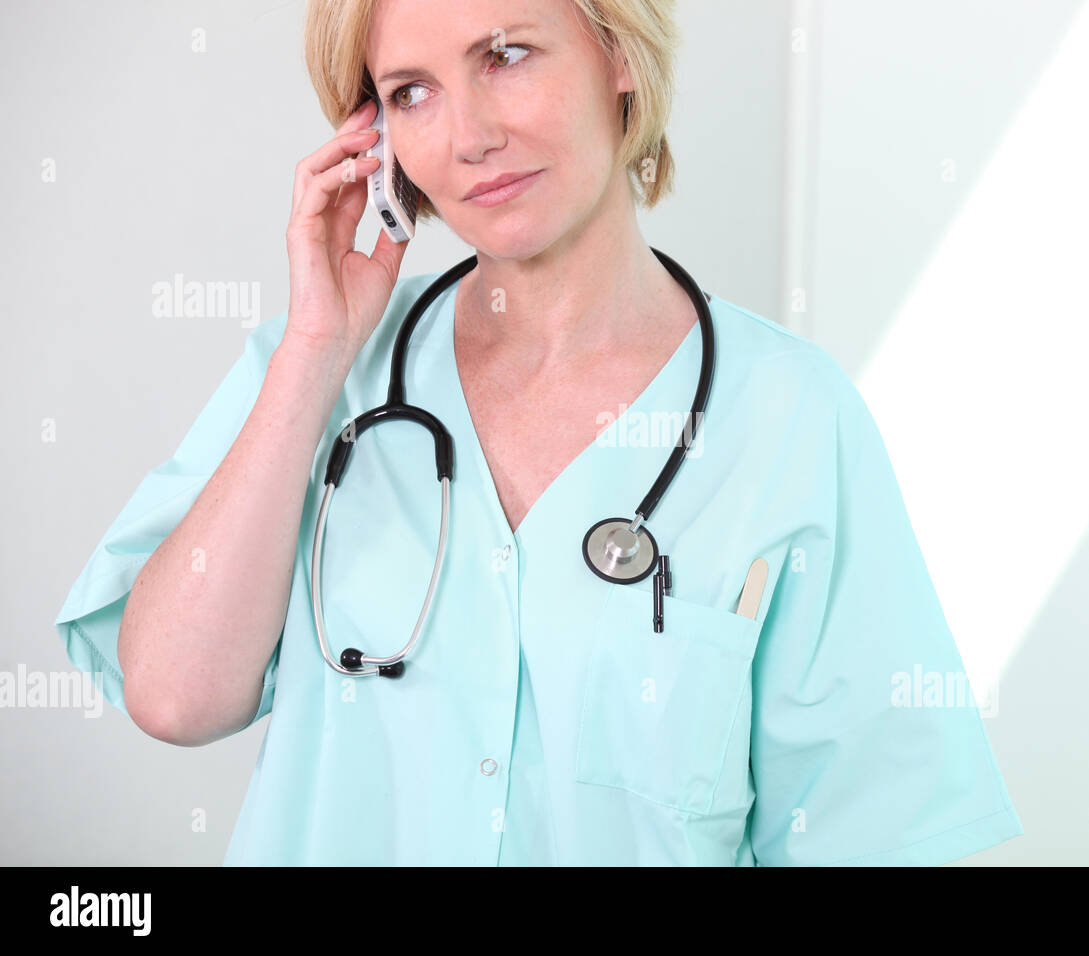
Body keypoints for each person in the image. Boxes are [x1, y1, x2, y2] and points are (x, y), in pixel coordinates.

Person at [53, 0, 1023, 865]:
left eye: (507, 54)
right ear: (372, 134)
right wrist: (315, 347)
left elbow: (877, 831)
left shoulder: (789, 420)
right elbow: (177, 698)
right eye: (412, 90)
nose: (469, 134)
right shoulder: (316, 378)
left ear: (618, 53)